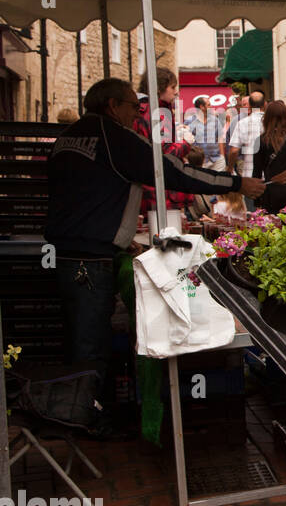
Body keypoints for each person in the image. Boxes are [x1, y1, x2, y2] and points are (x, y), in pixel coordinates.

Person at [44, 77, 265, 411]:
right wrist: (235, 183)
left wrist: (120, 240)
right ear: (112, 106)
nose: (138, 113)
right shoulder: (114, 137)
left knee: (77, 338)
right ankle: (85, 418)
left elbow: (86, 198)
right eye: (134, 106)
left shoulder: (68, 137)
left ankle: (75, 410)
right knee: (90, 344)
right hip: (88, 261)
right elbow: (169, 171)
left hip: (67, 253)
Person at [134, 66, 200, 215]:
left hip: (143, 187)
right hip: (160, 190)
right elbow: (165, 153)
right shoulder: (159, 113)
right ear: (159, 88)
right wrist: (186, 143)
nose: (176, 91)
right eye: (172, 87)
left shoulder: (140, 109)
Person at [228, 90, 266, 178]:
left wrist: (230, 168)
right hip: (271, 175)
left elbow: (234, 151)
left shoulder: (242, 123)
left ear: (250, 105)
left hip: (250, 174)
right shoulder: (272, 122)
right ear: (265, 104)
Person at [187, 95, 225, 171]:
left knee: (219, 181)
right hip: (200, 161)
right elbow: (187, 142)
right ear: (202, 107)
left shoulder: (215, 120)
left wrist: (222, 156)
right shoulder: (189, 121)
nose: (211, 106)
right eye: (209, 105)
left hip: (217, 160)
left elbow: (220, 138)